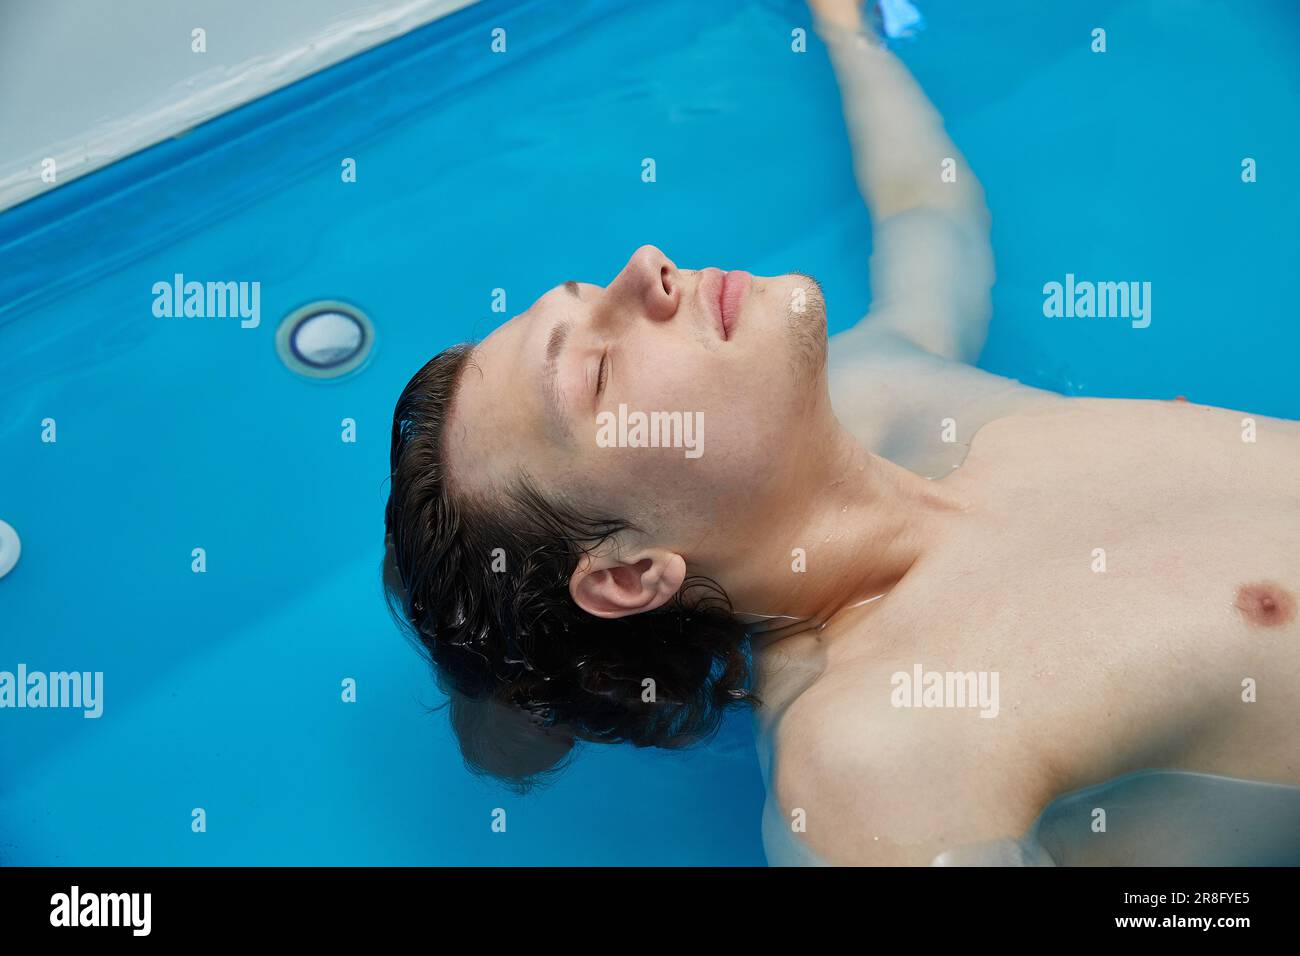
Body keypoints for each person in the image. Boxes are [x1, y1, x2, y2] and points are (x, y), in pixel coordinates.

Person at [383, 0, 1300, 864]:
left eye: (593, 291)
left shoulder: (886, 394)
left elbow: (926, 213)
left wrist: (843, 27)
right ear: (629, 570)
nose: (644, 268)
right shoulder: (870, 762)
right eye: (597, 371)